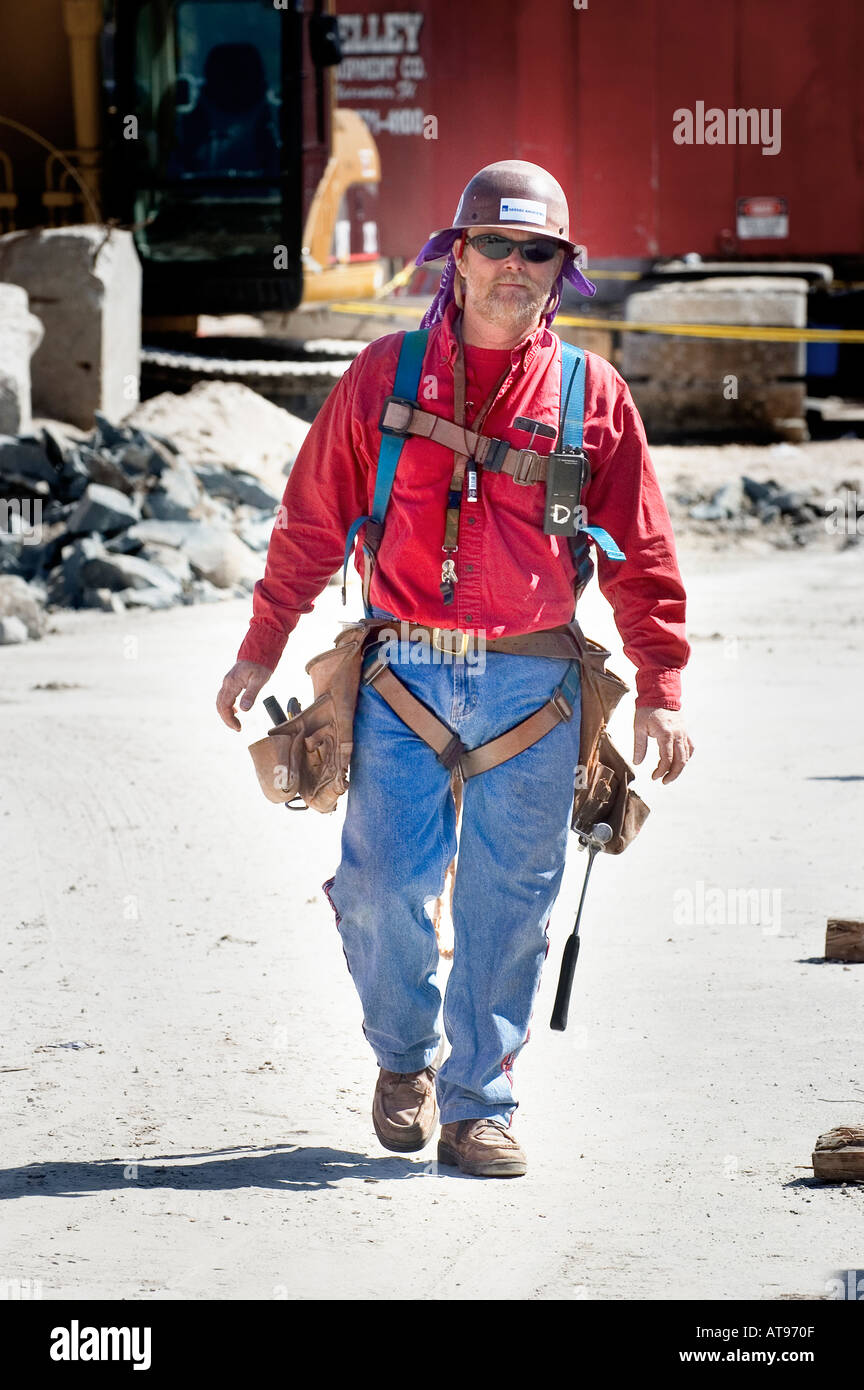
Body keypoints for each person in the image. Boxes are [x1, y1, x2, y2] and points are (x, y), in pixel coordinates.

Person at [217, 160, 694, 1179]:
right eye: (497, 246)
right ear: (457, 258)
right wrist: (262, 645)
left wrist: (663, 686)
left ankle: (480, 1103)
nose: (517, 267)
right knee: (380, 884)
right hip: (403, 677)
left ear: (562, 271)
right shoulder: (383, 379)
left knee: (511, 904)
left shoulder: (590, 396)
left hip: (535, 687)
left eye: (541, 252)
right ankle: (404, 1061)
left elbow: (641, 552)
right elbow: (311, 521)